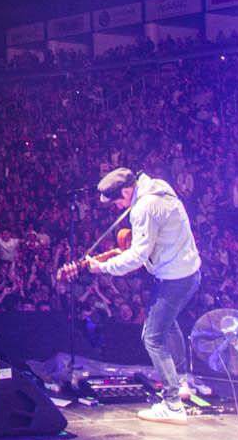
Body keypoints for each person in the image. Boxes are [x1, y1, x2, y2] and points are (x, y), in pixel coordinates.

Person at [85, 167, 206, 423]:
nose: (118, 207)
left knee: (152, 337)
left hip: (174, 278)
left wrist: (103, 268)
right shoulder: (159, 186)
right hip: (187, 273)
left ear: (128, 191)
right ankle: (183, 381)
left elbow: (138, 256)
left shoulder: (143, 208)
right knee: (168, 324)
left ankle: (172, 404)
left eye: (118, 200)